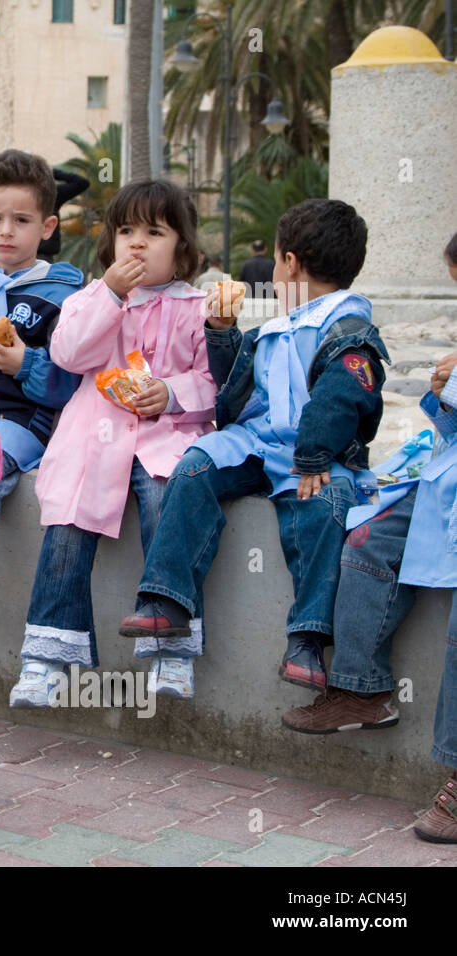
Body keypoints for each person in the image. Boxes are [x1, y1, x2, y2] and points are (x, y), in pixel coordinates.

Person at [120, 199, 388, 693]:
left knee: (326, 509)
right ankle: (166, 598)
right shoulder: (278, 328)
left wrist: (314, 455)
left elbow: (343, 395)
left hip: (317, 459)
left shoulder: (349, 329)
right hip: (256, 443)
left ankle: (306, 640)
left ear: (287, 262)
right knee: (195, 465)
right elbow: (234, 390)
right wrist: (222, 333)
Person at [14, 180, 218, 706]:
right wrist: (109, 294)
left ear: (183, 247)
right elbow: (69, 354)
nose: (137, 243)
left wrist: (171, 393)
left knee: (162, 502)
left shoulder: (198, 306)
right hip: (92, 437)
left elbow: (213, 381)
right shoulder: (92, 296)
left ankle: (169, 645)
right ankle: (49, 658)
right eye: (126, 230)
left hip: (165, 437)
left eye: (154, 231)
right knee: (68, 521)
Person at [282, 235, 457, 843]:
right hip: (445, 475)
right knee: (367, 538)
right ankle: (362, 688)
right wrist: (441, 395)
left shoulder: (351, 333)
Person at [0, 149, 84, 614]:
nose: (6, 230)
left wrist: (25, 363)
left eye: (21, 220)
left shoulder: (65, 295)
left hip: (22, 424)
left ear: (47, 227)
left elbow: (73, 383)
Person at [37, 167, 89, 262]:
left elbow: (81, 183)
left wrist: (53, 172)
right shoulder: (12, 195)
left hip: (43, 256)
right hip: (16, 256)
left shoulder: (50, 194)